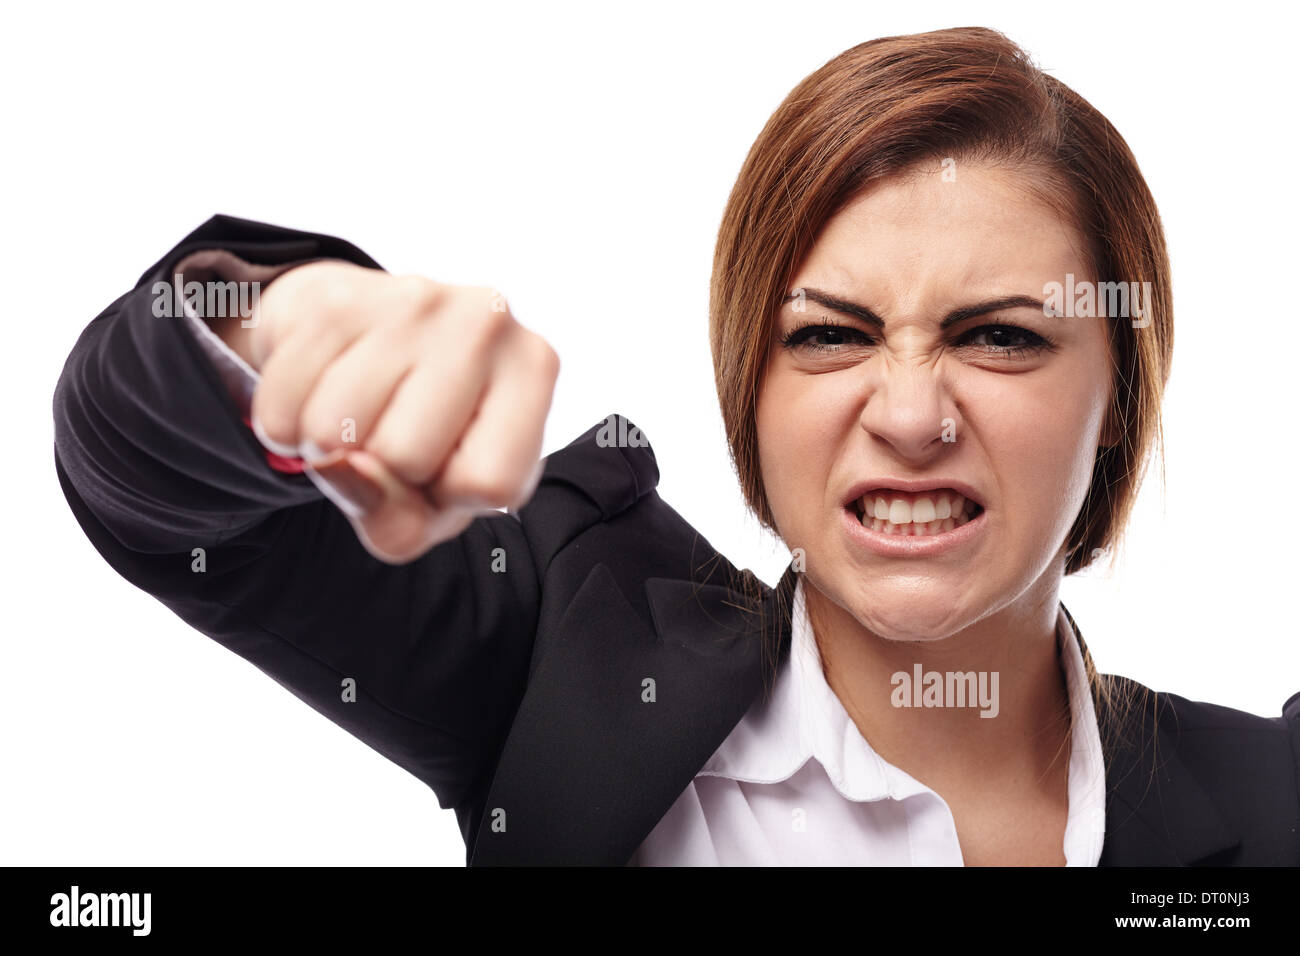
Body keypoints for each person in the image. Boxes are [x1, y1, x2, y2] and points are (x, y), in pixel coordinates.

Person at [52, 26, 1300, 866]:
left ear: (1120, 395)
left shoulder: (1270, 804)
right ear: (746, 386)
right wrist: (269, 335)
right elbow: (146, 495)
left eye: (999, 337)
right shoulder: (563, 649)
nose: (912, 414)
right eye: (828, 337)